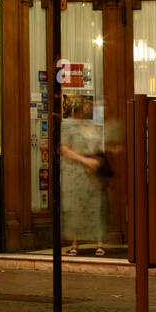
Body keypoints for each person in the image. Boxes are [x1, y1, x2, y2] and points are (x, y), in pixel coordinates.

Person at [61, 99, 108, 256]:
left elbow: (96, 146)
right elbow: (65, 149)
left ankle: (98, 243)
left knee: (94, 207)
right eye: (86, 106)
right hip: (74, 172)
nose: (88, 108)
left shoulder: (90, 126)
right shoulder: (67, 125)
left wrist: (95, 160)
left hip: (90, 172)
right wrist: (85, 160)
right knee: (75, 208)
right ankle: (75, 244)